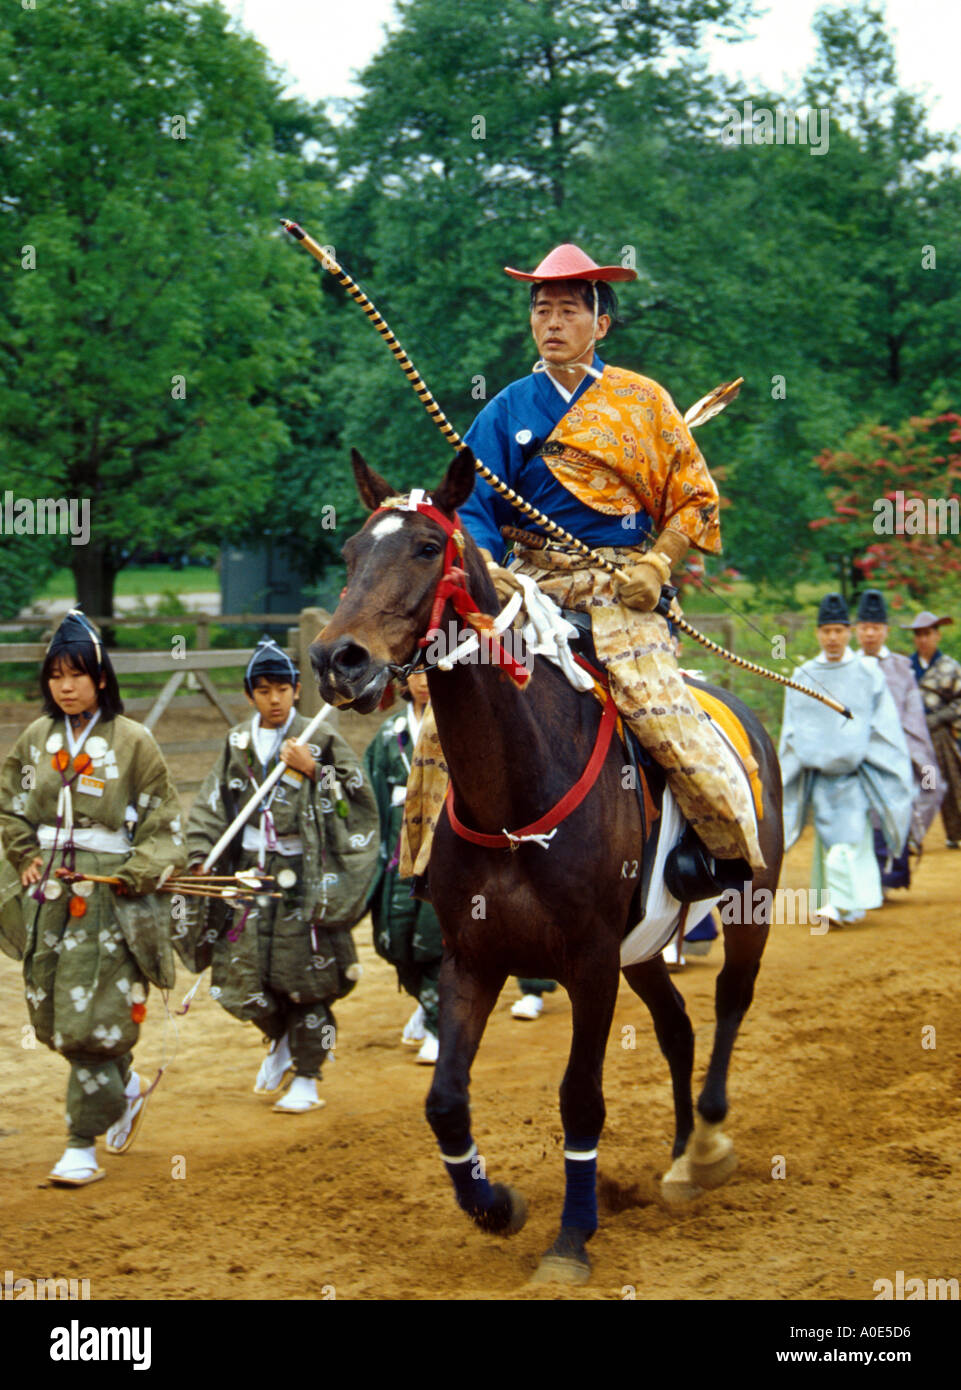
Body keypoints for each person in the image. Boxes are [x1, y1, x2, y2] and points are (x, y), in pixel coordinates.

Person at [401, 242, 763, 896]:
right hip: (527, 590)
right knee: (440, 718)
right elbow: (471, 504)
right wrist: (488, 569)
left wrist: (657, 564)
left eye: (568, 310)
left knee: (661, 716)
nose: (551, 324)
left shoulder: (643, 403)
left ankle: (720, 853)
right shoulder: (507, 408)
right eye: (541, 310)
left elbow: (693, 498)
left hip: (622, 594)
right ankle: (426, 868)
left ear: (601, 324)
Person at [0, 610, 185, 1186]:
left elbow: (164, 825)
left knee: (92, 1017)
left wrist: (138, 871)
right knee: (54, 1013)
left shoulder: (134, 741)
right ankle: (124, 1086)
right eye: (56, 676)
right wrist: (23, 852)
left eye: (77, 674)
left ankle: (80, 1142)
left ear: (101, 678)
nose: (66, 686)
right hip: (48, 891)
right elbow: (11, 805)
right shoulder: (36, 739)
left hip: (109, 893)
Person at [184, 638, 379, 1112]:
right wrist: (199, 854)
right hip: (250, 877)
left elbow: (358, 803)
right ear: (250, 695)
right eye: (263, 690)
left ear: (297, 691)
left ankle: (308, 1076)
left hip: (304, 878)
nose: (274, 700)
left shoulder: (322, 740)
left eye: (283, 689)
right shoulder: (237, 745)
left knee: (306, 979)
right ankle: (280, 1039)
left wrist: (316, 772)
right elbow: (214, 806)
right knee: (240, 977)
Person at [779, 594, 913, 926]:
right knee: (831, 841)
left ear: (849, 632)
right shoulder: (803, 673)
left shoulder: (867, 672)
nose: (833, 638)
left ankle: (839, 904)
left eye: (839, 630)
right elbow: (792, 730)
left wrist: (882, 766)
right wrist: (787, 775)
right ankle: (843, 903)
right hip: (819, 774)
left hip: (856, 775)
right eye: (826, 631)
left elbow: (885, 729)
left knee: (848, 839)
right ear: (817, 634)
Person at [364, 672, 443, 1064]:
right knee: (394, 936)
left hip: (441, 842)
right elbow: (369, 791)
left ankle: (437, 1026)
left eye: (430, 672)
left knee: (434, 934)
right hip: (397, 842)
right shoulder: (388, 734)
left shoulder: (454, 721)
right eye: (415, 673)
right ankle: (427, 1003)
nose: (423, 681)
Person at [854, 590, 943, 885]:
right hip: (854, 754)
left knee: (932, 784)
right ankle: (866, 882)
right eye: (864, 627)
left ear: (886, 631)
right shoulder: (845, 667)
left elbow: (914, 716)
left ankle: (910, 839)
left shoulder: (901, 667)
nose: (870, 634)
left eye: (876, 628)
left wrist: (912, 753)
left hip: (897, 751)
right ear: (856, 631)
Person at [902, 610, 961, 849]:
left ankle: (955, 833)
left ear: (937, 635)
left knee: (951, 783)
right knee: (920, 784)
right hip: (913, 736)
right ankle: (913, 835)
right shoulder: (906, 667)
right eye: (918, 635)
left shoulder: (950, 667)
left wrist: (938, 719)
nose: (923, 639)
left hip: (940, 734)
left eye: (927, 634)